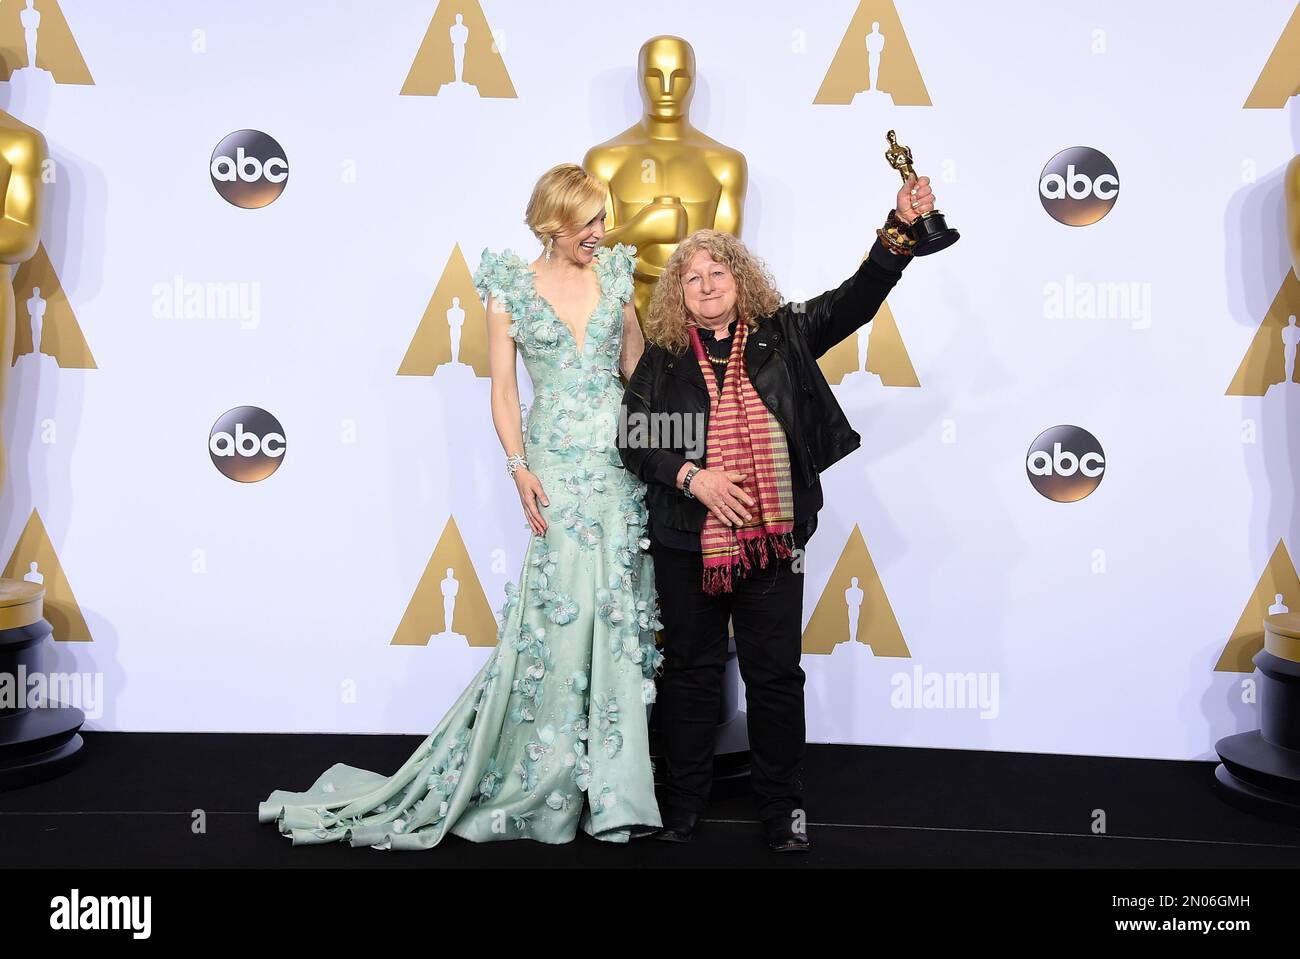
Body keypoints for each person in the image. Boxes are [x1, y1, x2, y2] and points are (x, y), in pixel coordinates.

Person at [258, 163, 664, 848]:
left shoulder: (617, 275)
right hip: (557, 471)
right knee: (562, 621)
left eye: (603, 219)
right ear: (553, 224)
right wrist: (518, 470)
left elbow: (638, 369)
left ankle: (620, 792)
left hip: (620, 469)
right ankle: (551, 782)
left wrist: (665, 453)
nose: (602, 232)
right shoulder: (509, 287)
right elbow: (504, 391)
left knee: (620, 614)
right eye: (589, 222)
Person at [618, 174, 936, 852]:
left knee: (773, 676)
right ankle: (683, 804)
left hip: (774, 542)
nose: (705, 283)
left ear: (741, 278)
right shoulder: (666, 359)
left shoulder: (784, 335)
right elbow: (634, 436)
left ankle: (782, 809)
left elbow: (856, 301)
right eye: (691, 277)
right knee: (692, 675)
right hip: (685, 540)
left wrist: (899, 230)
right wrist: (693, 477)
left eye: (717, 270)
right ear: (677, 294)